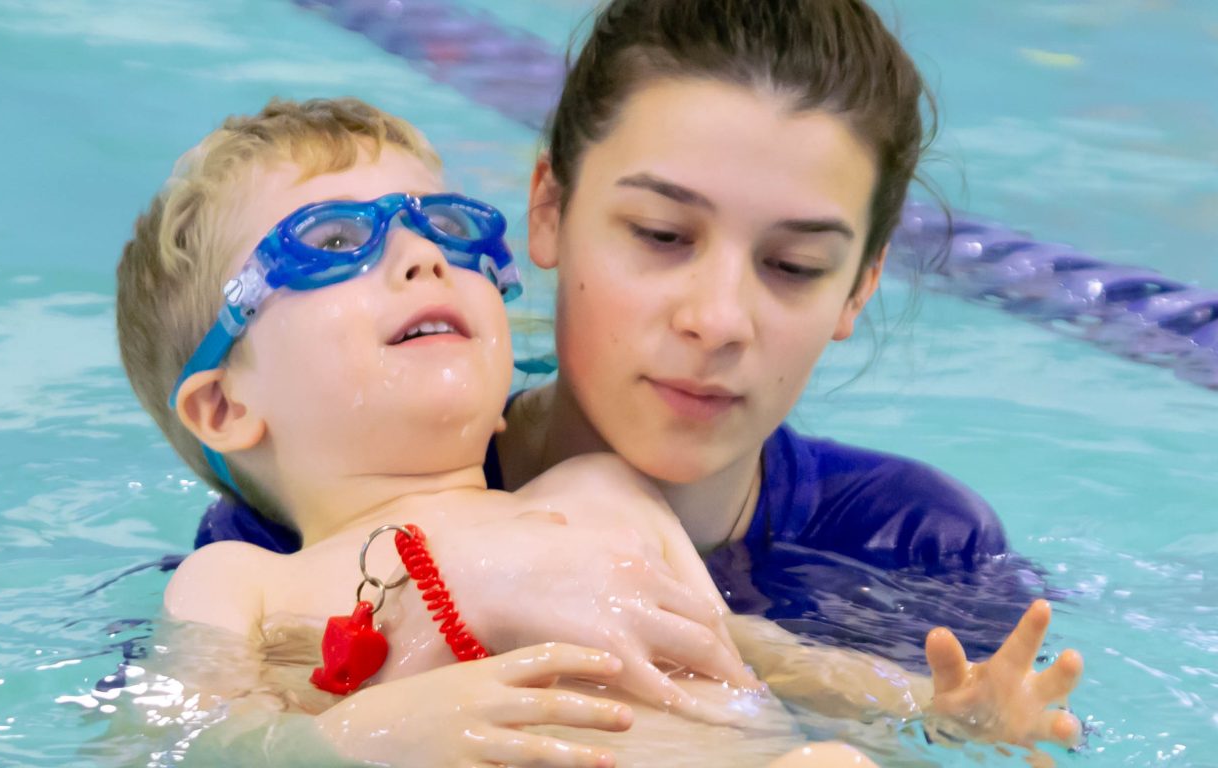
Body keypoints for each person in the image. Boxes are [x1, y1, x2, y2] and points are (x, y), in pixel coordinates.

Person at [112, 97, 1078, 766]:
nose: (418, 259)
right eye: (332, 245)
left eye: (446, 229)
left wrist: (925, 712)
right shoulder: (240, 582)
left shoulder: (602, 494)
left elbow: (757, 657)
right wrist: (363, 738)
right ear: (226, 408)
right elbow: (175, 741)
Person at [194, 0, 1039, 675]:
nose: (715, 320)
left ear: (859, 287)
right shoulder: (317, 516)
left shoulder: (921, 559)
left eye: (793, 264)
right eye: (661, 235)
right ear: (549, 210)